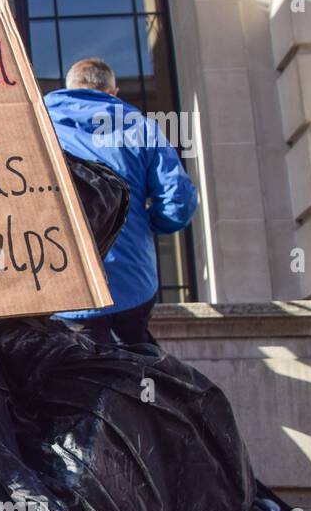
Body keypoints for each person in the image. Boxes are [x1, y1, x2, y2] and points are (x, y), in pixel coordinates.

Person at [45, 58, 198, 346]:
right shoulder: (140, 127)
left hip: (67, 277)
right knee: (139, 357)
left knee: (82, 367)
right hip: (132, 277)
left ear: (67, 89)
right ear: (114, 92)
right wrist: (148, 225)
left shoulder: (39, 124)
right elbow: (179, 199)